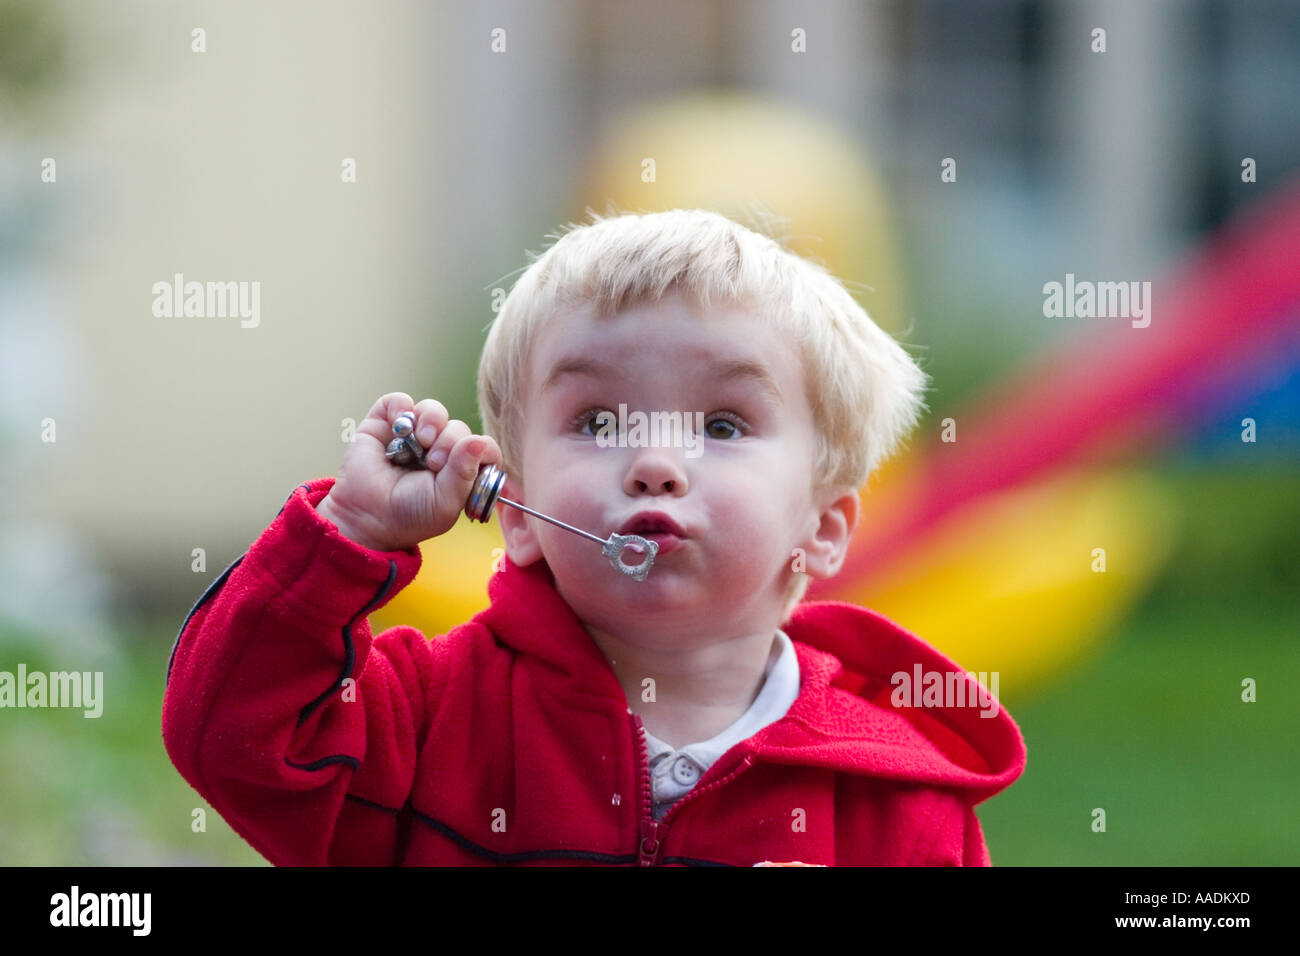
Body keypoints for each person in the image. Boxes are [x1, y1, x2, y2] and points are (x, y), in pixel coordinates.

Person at [161, 208, 1026, 865]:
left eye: (723, 425)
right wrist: (349, 533)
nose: (654, 462)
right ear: (516, 514)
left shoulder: (897, 806)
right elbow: (233, 738)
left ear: (824, 528)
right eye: (597, 418)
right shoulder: (425, 721)